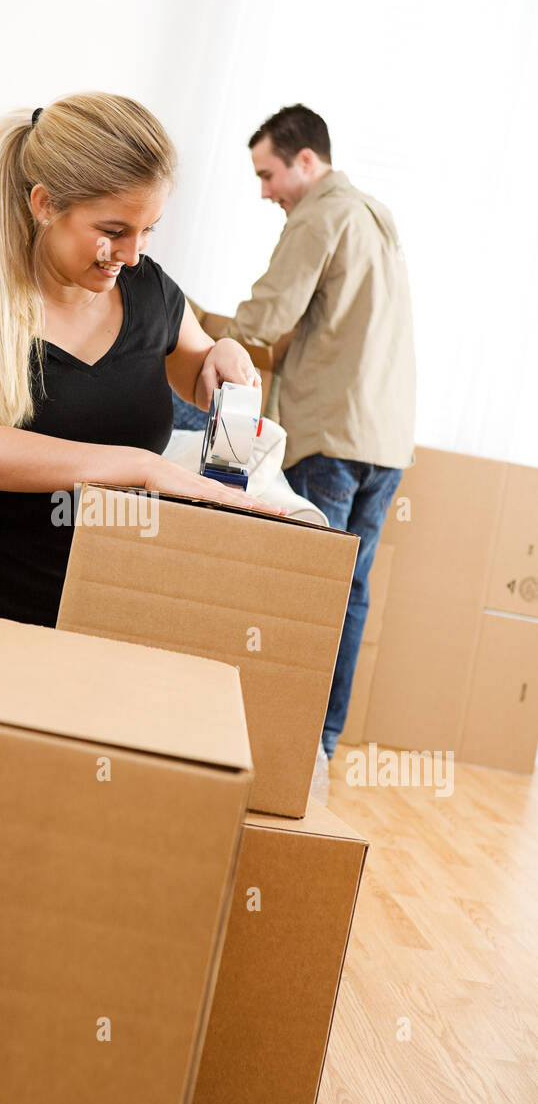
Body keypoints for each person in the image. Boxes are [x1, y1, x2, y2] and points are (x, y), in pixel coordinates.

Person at [0, 92, 282, 626]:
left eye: (148, 229)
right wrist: (141, 467)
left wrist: (224, 352)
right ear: (44, 204)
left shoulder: (149, 292)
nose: (132, 255)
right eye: (113, 232)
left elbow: (202, 375)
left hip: (104, 620)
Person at [196, 104, 416, 760]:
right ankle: (320, 741)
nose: (265, 191)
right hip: (384, 439)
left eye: (268, 174)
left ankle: (286, 739)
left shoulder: (321, 211)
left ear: (307, 162)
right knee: (348, 591)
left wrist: (195, 339)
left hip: (332, 435)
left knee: (302, 587)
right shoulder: (375, 213)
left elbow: (269, 313)